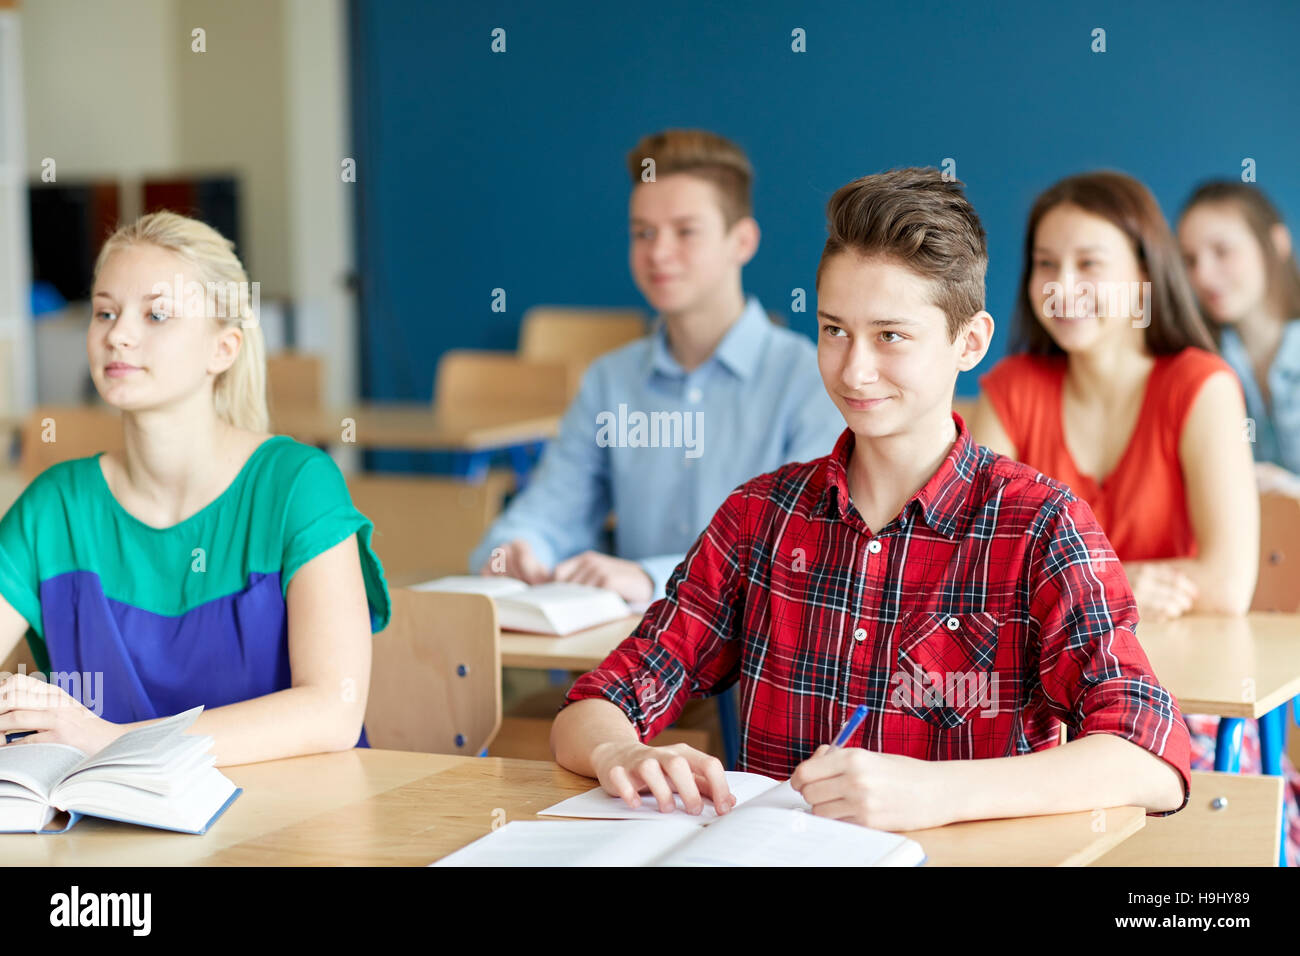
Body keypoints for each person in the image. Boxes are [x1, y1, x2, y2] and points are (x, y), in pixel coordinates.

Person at [550, 168, 1189, 831]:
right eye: (834, 330)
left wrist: (936, 794)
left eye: (890, 336)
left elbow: (1151, 759)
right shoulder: (758, 519)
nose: (854, 369)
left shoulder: (1041, 528)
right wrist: (619, 750)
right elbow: (591, 707)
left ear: (969, 342)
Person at [969, 171, 1300, 864]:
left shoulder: (1201, 383)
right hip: (1046, 703)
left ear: (1144, 279)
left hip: (1185, 703)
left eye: (1090, 263)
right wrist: (1127, 586)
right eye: (1045, 264)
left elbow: (1223, 584)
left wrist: (1068, 593)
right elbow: (981, 576)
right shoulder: (1009, 390)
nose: (1062, 284)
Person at [0, 211, 390, 766]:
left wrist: (111, 741)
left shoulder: (299, 485)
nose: (118, 334)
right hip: (113, 843)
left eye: (156, 315)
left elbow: (333, 710)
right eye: (104, 311)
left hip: (297, 831)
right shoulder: (53, 505)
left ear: (223, 349)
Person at [469, 129, 842, 602]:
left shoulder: (808, 379)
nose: (658, 252)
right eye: (643, 232)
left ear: (742, 241)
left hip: (759, 667)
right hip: (639, 661)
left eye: (685, 231)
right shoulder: (610, 381)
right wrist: (516, 549)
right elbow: (552, 506)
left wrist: (651, 578)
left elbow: (800, 552)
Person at [1178, 181, 1300, 489]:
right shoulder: (1196, 366)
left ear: (1276, 244)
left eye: (1222, 251)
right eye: (1190, 260)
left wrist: (1288, 490)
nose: (1202, 276)